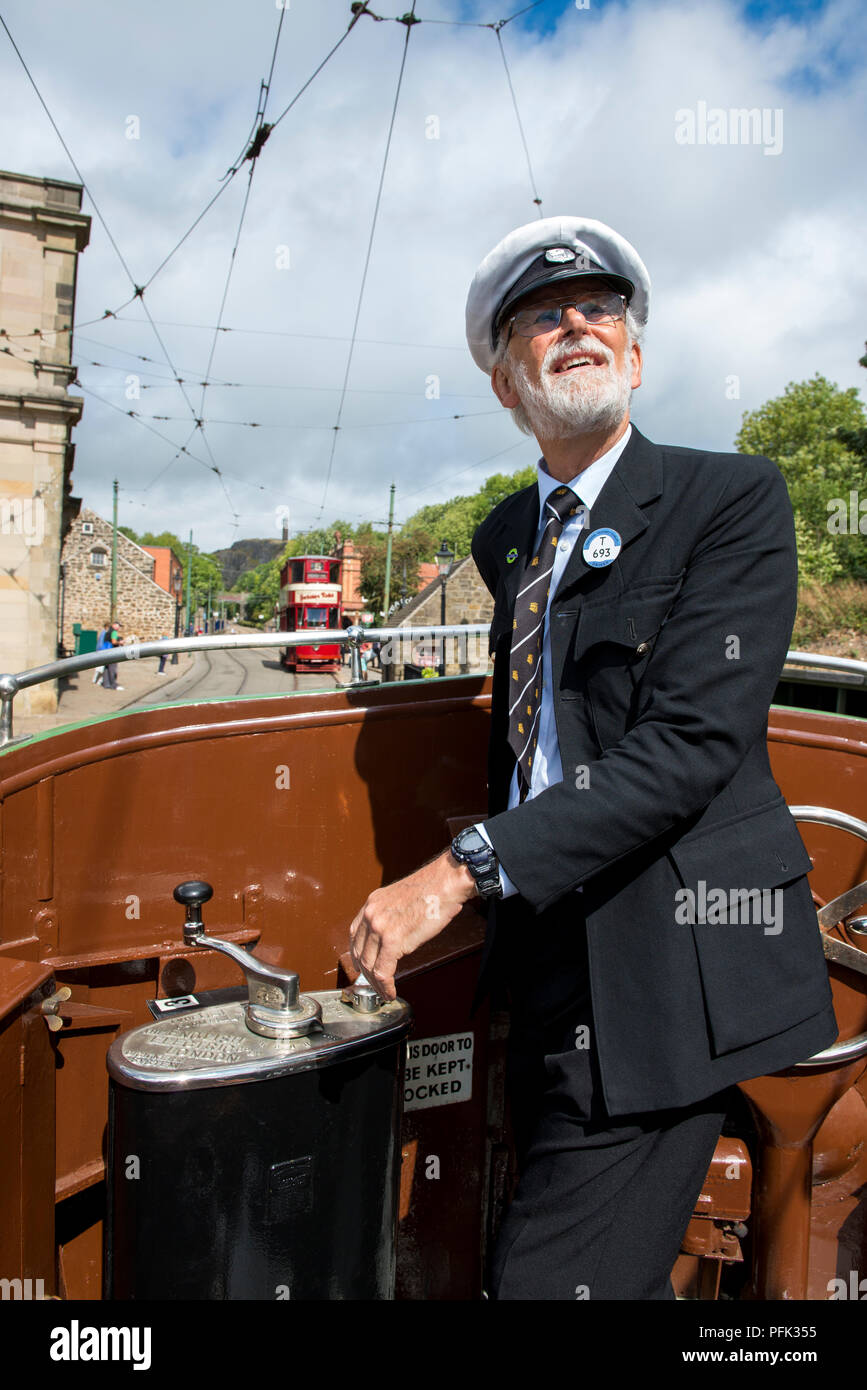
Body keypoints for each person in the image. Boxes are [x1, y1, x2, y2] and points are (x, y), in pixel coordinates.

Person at [347, 215, 837, 1300]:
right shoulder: (504, 536)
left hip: (670, 970)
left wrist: (460, 868)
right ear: (507, 384)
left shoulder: (732, 500)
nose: (576, 322)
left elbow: (690, 747)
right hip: (539, 954)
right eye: (540, 317)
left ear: (636, 356)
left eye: (600, 308)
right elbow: (540, 728)